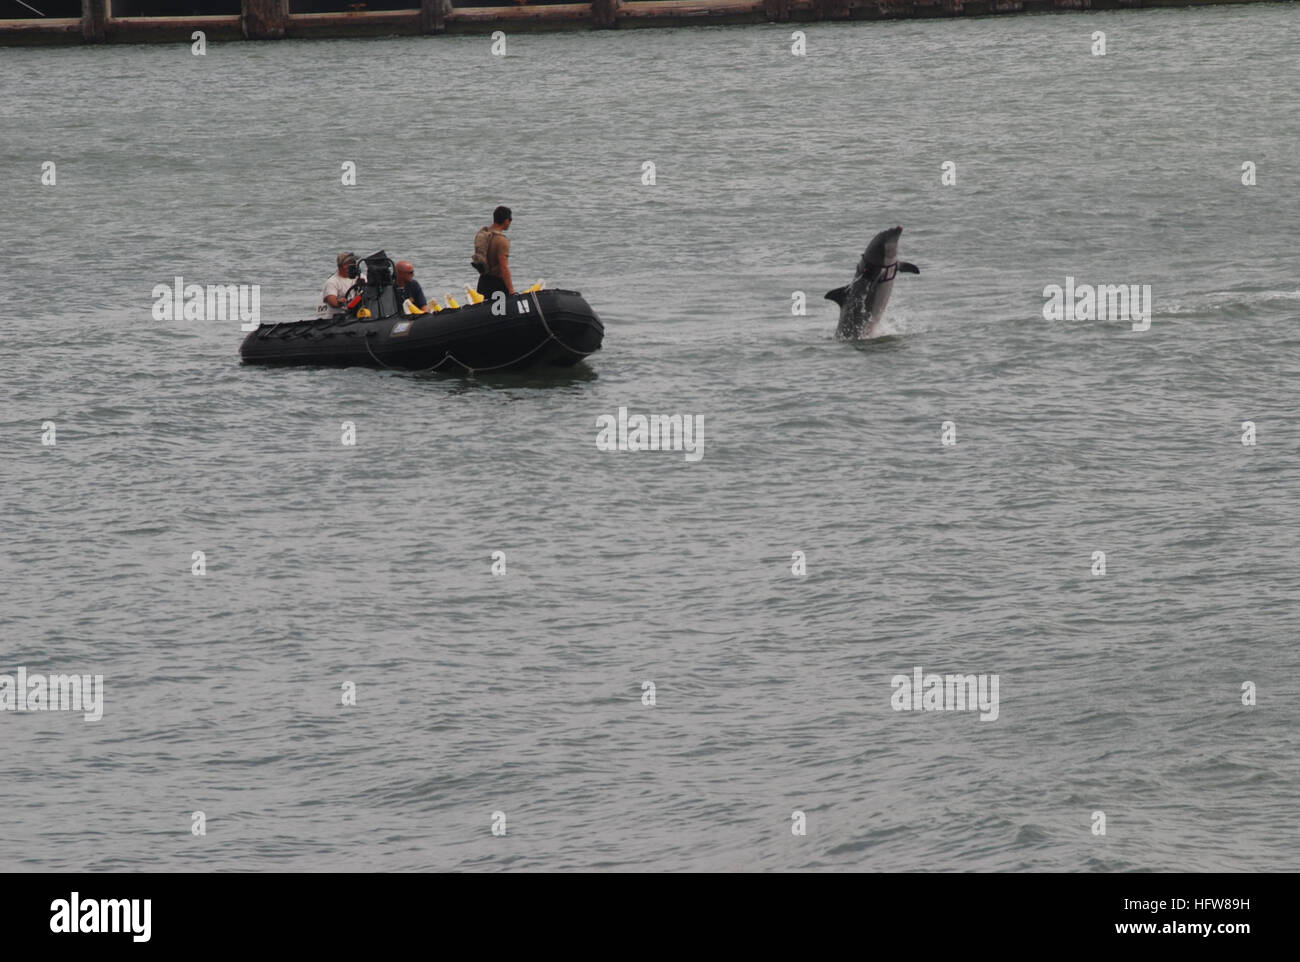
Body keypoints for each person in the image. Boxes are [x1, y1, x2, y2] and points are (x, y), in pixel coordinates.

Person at [473, 206, 515, 299]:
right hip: (497, 284)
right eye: (510, 219)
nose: (510, 222)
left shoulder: (483, 235)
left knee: (484, 312)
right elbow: (504, 267)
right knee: (503, 312)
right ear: (506, 220)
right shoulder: (502, 240)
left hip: (483, 282)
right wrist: (512, 291)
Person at [317, 251, 359, 317]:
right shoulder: (332, 282)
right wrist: (340, 302)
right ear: (341, 266)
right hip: (339, 318)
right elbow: (333, 302)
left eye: (354, 263)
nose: (352, 265)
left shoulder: (361, 277)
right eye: (349, 263)